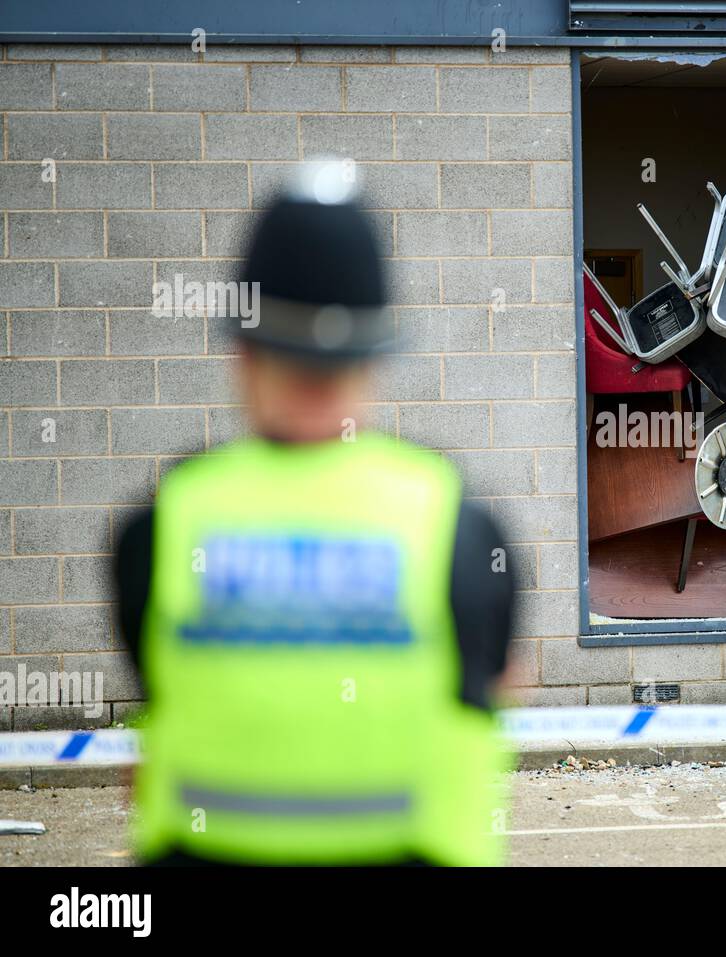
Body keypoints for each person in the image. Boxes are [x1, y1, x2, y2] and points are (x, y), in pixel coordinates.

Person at [113, 162, 515, 866]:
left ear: (241, 353)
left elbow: (150, 739)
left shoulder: (160, 531)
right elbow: (495, 702)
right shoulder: (462, 532)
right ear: (376, 354)